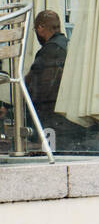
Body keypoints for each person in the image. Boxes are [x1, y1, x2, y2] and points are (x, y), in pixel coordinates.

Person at [25, 10, 71, 147]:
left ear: (41, 28)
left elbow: (39, 88)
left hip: (52, 118)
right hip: (67, 116)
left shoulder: (49, 51)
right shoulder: (68, 45)